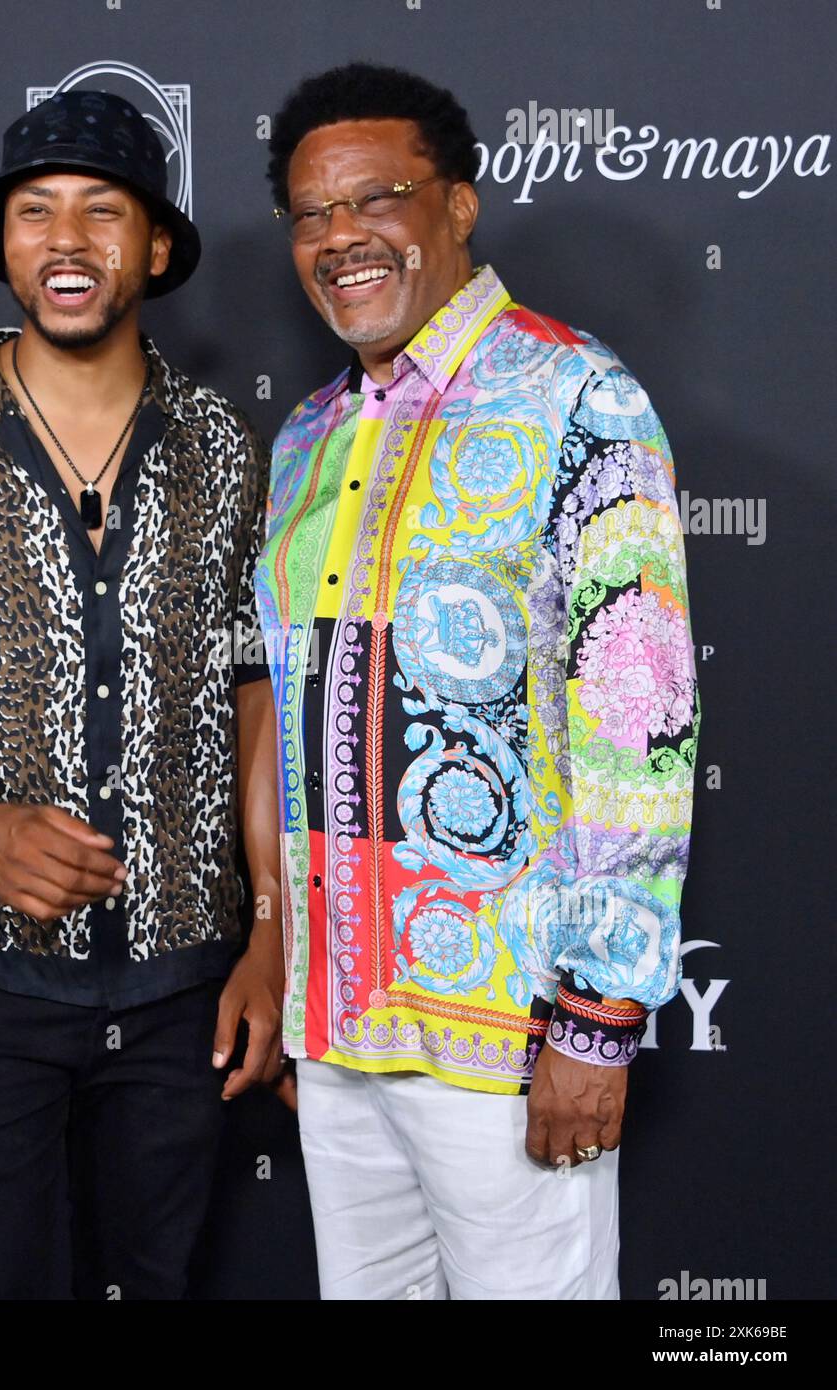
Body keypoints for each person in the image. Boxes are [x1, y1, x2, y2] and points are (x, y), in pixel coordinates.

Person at [0, 89, 284, 1300]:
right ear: (5, 248)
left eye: (101, 210)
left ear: (158, 246)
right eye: (36, 211)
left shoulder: (229, 448)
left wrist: (274, 930)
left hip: (185, 977)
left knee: (157, 1279)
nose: (66, 239)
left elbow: (255, 700)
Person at [255, 63, 699, 1299]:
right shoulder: (305, 438)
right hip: (338, 1033)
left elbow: (639, 715)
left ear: (457, 204)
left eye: (375, 199)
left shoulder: (574, 397)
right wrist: (301, 983)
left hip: (503, 1034)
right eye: (309, 213)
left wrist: (596, 1020)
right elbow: (295, 722)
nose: (340, 236)